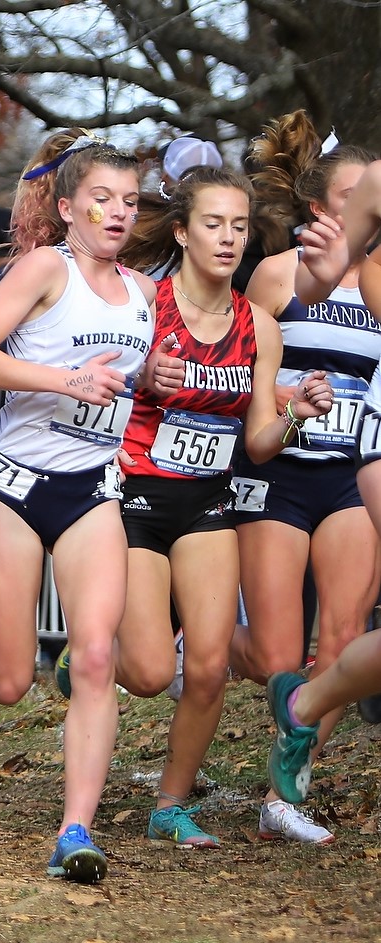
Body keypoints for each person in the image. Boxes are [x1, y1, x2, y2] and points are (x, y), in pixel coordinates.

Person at [0, 129, 173, 883]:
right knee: (9, 681)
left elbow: (130, 379)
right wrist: (66, 381)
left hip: (90, 489)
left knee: (95, 655)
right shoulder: (41, 269)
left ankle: (75, 830)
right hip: (9, 486)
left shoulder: (146, 292)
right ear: (67, 208)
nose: (116, 213)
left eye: (128, 201)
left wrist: (151, 376)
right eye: (101, 199)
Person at [111, 165, 332, 848]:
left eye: (240, 226)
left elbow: (261, 444)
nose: (229, 238)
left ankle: (170, 805)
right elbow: (101, 384)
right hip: (135, 496)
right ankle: (89, 653)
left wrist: (293, 413)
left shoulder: (259, 326)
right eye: (213, 224)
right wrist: (140, 377)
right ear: (181, 230)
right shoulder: (145, 304)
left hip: (209, 502)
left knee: (208, 666)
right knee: (150, 670)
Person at [226, 113, 380, 843]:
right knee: (272, 657)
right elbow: (239, 379)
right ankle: (198, 638)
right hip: (279, 473)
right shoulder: (277, 275)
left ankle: (288, 789)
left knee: (343, 637)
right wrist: (290, 399)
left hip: (352, 475)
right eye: (356, 199)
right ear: (322, 208)